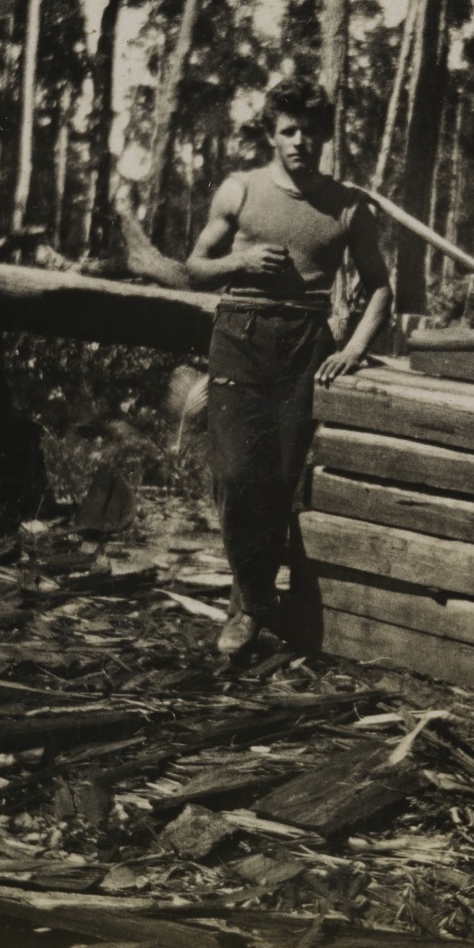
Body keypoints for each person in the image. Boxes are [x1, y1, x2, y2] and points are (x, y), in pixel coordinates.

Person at [186, 77, 393, 656]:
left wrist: (352, 348)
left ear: (326, 135)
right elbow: (194, 268)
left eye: (310, 131)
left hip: (306, 343)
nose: (300, 141)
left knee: (278, 482)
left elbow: (381, 287)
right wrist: (242, 260)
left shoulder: (348, 207)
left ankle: (244, 608)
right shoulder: (240, 191)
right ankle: (256, 602)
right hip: (239, 336)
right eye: (288, 131)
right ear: (272, 135)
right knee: (233, 474)